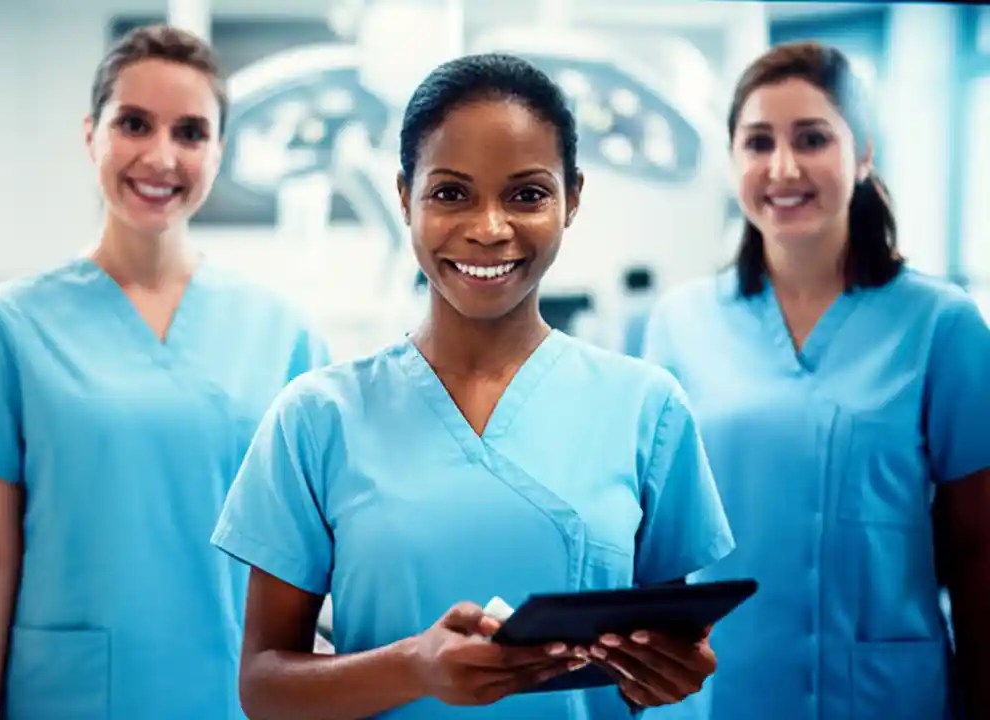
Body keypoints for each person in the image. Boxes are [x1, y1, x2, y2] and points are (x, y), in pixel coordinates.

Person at [210, 53, 735, 719]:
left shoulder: (646, 410)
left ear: (573, 198)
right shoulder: (317, 419)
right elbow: (263, 685)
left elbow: (674, 651)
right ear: (405, 197)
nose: (489, 227)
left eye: (527, 194)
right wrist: (414, 668)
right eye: (451, 193)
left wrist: (670, 673)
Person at [0, 25, 329, 720]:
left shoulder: (281, 332)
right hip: (70, 697)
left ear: (219, 151)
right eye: (134, 124)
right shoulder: (11, 326)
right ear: (92, 134)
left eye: (192, 132)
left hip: (228, 695)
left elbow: (311, 560)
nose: (161, 156)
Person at [641, 41, 990, 720]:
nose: (783, 167)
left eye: (813, 138)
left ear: (862, 155)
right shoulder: (679, 324)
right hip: (719, 693)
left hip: (887, 696)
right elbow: (658, 549)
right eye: (758, 142)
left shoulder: (942, 325)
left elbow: (981, 552)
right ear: (733, 160)